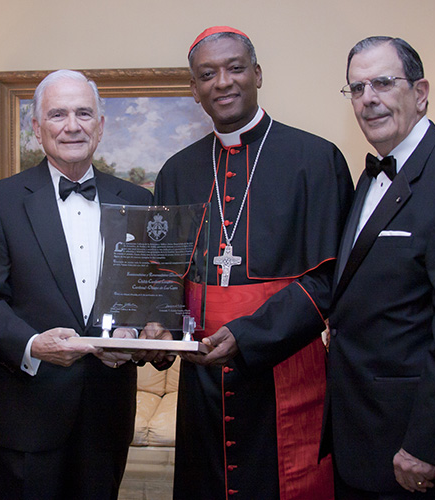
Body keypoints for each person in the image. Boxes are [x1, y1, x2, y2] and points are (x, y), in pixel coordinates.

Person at [153, 26, 354, 500]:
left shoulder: (316, 159)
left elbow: (332, 280)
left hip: (288, 367)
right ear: (194, 89)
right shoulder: (177, 170)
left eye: (235, 68)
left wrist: (250, 335)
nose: (222, 81)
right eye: (208, 74)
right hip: (202, 376)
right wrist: (158, 329)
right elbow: (161, 276)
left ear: (257, 74)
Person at [0, 69, 163, 500]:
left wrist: (137, 329)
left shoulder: (138, 200)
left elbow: (151, 293)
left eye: (83, 113)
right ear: (36, 128)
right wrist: (33, 344)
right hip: (26, 412)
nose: (71, 126)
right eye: (57, 114)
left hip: (107, 410)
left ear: (100, 125)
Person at [323, 36, 435, 500]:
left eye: (383, 82)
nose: (369, 99)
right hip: (364, 436)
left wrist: (426, 446)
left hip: (419, 453)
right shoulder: (371, 174)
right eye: (357, 88)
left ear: (420, 92)